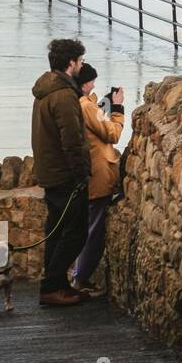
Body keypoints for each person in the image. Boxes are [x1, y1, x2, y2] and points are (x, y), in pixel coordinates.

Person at [31, 38, 92, 307]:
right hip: (65, 175)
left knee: (56, 229)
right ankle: (52, 287)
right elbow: (72, 140)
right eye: (79, 62)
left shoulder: (46, 89)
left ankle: (58, 285)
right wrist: (81, 175)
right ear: (71, 64)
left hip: (50, 171)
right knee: (76, 232)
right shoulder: (64, 95)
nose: (81, 66)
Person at [69, 64, 124, 295]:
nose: (94, 84)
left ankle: (78, 277)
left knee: (86, 227)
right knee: (92, 232)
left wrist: (102, 103)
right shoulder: (87, 108)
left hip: (89, 174)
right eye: (91, 81)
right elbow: (113, 133)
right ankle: (79, 280)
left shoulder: (80, 104)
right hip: (99, 176)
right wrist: (118, 108)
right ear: (84, 83)